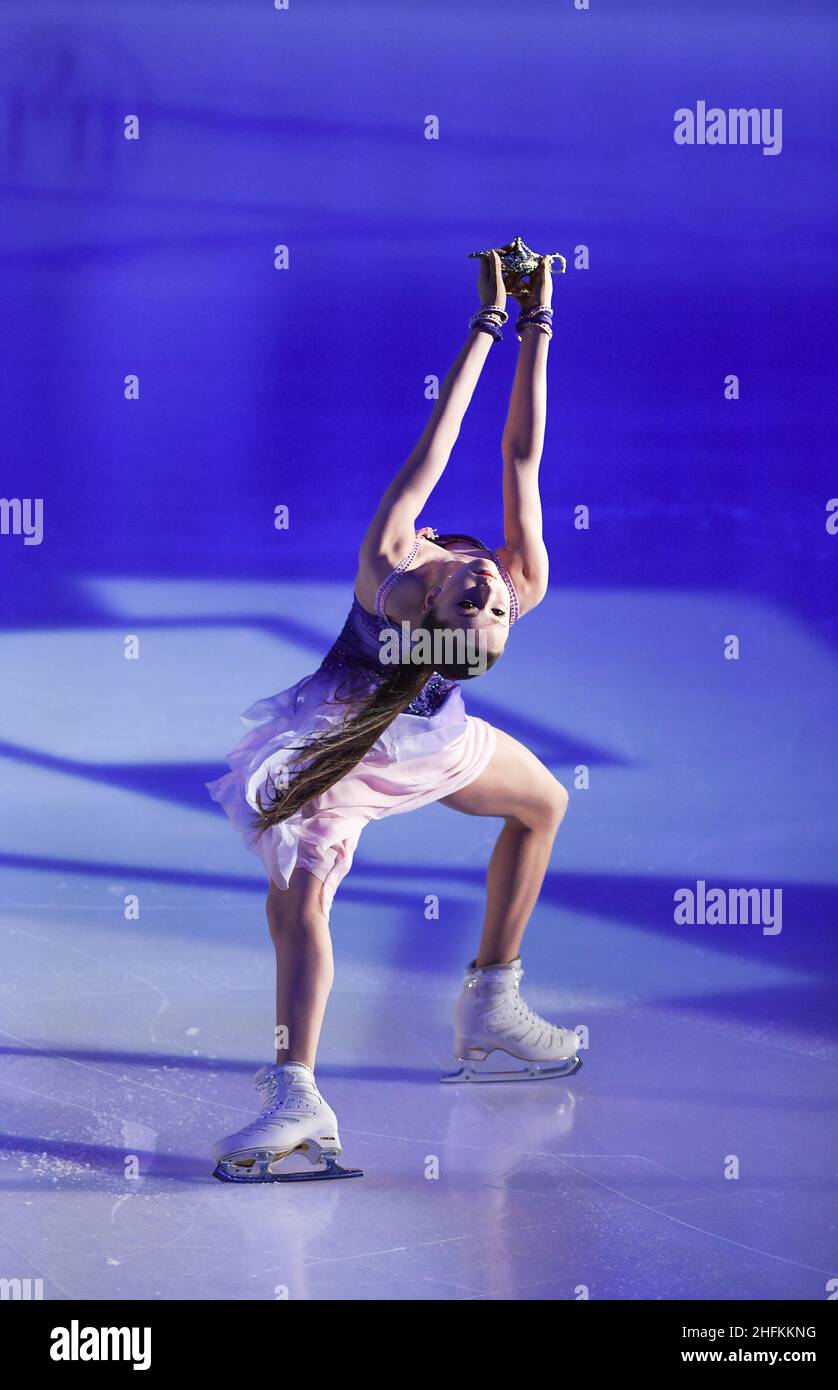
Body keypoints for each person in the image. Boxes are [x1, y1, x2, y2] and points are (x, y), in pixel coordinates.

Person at [207, 250, 579, 1183]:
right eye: (489, 600)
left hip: (414, 739)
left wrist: (486, 324)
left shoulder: (394, 565)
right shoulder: (518, 578)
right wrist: (537, 326)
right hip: (351, 749)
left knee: (537, 807)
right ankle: (301, 1092)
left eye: (485, 607)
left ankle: (489, 1003)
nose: (493, 591)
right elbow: (520, 455)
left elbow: (441, 443)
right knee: (304, 905)